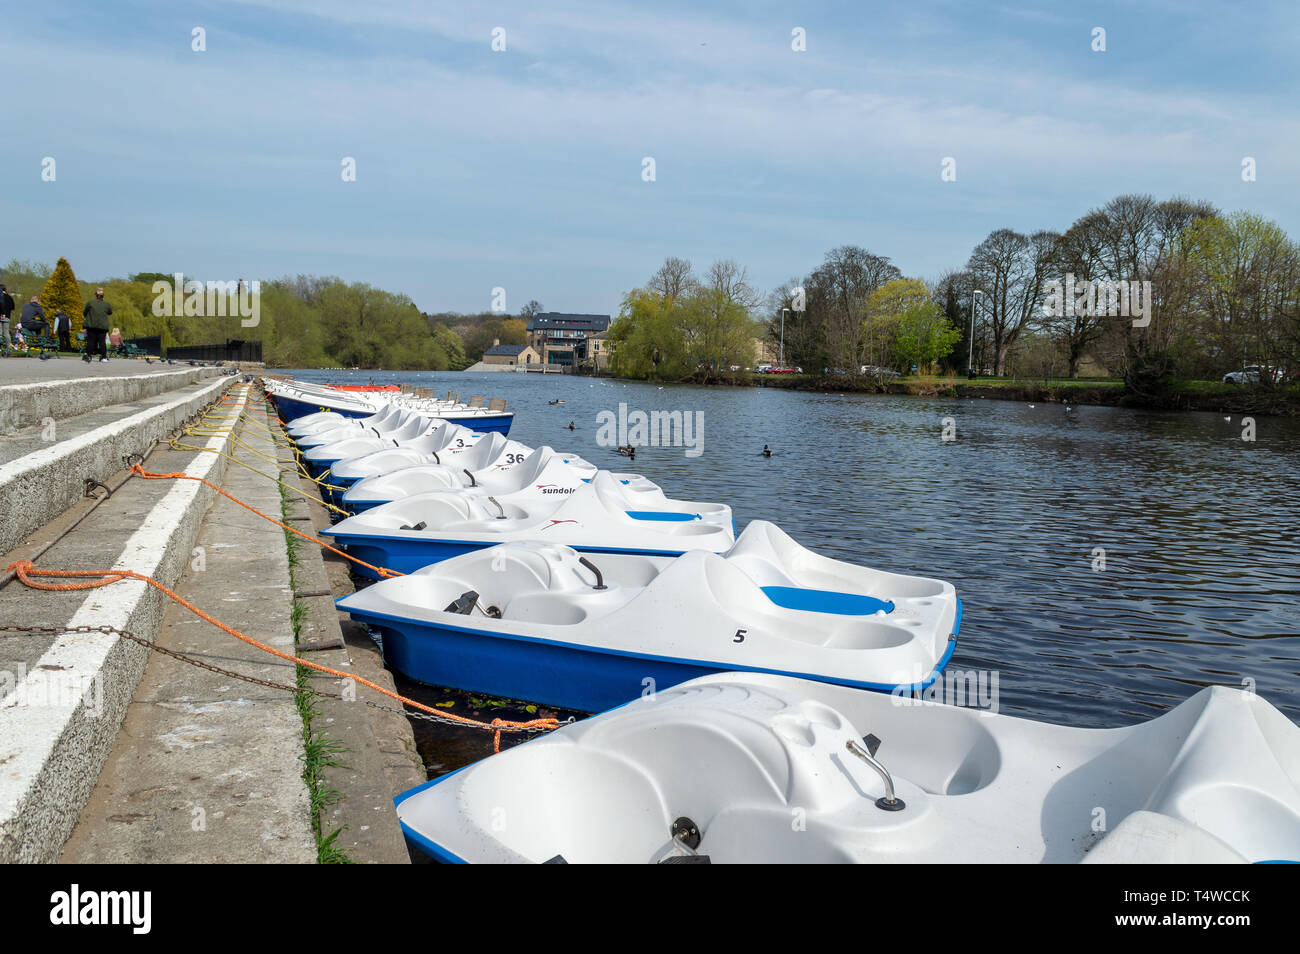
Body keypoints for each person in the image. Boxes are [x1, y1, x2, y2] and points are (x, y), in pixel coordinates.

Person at [82, 287, 113, 363]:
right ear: (103, 296)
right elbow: (110, 312)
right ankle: (104, 357)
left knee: (91, 341)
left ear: (96, 295)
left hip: (91, 325)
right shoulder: (107, 304)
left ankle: (88, 356)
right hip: (102, 326)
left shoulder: (90, 303)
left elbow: (84, 313)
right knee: (102, 342)